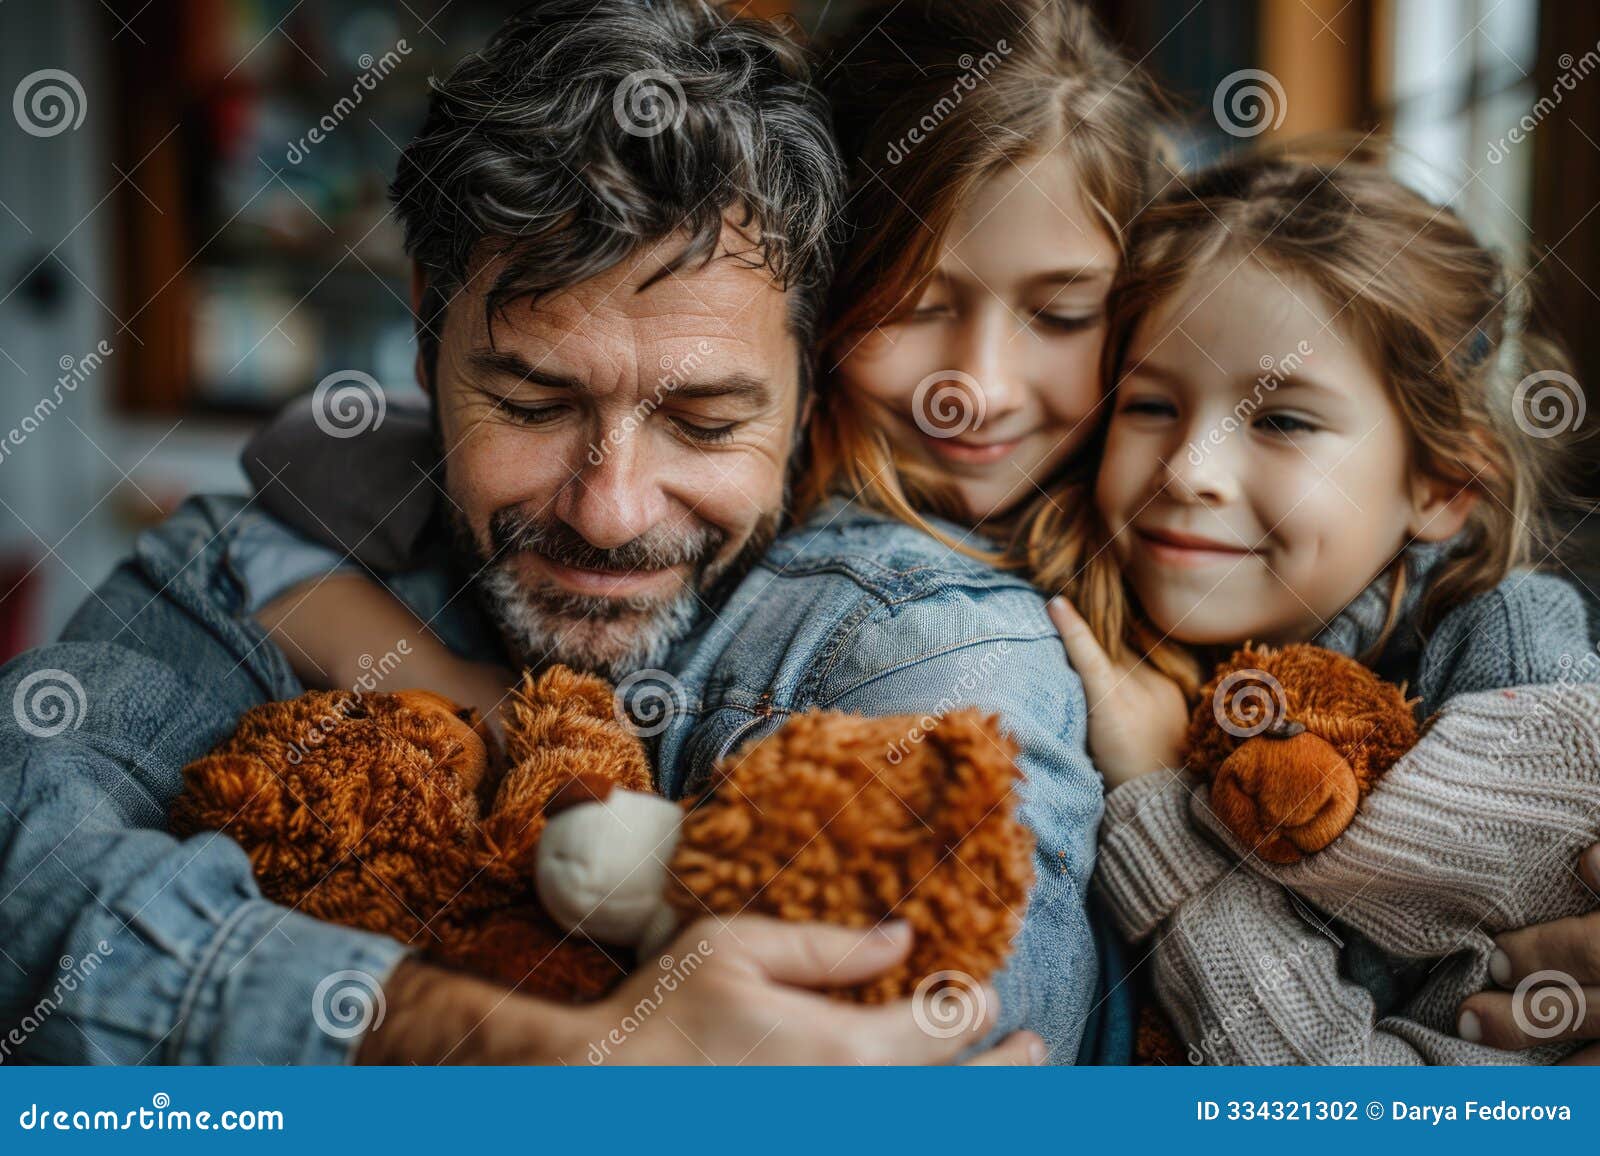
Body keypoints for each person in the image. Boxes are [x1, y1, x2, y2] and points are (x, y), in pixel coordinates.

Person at [0, 0, 1037, 1066]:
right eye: (534, 405)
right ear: (423, 339)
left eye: (704, 422)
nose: (609, 509)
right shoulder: (242, 569)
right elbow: (29, 879)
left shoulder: (924, 635)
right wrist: (528, 1056)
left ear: (811, 378)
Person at [234, 0, 1172, 1063]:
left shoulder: (990, 622)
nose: (977, 390)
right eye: (534, 403)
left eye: (706, 419)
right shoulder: (401, 478)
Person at [1044, 144, 1599, 1063]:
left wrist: (1162, 812)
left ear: (1443, 483)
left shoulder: (1516, 667)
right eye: (1149, 406)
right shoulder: (1086, 635)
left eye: (1281, 420)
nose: (1188, 471)